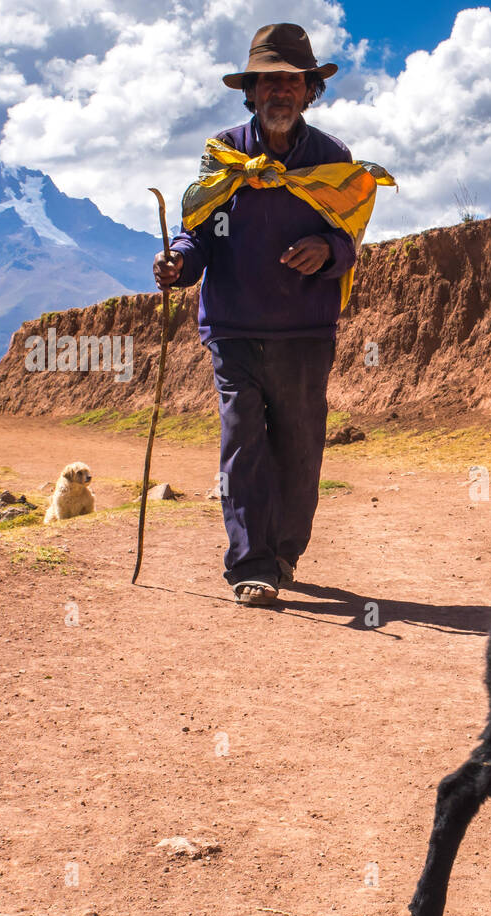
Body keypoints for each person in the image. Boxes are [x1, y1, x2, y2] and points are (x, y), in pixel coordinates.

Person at [154, 24, 381, 606]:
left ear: (309, 91)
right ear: (250, 92)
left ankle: (282, 552)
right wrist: (178, 261)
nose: (280, 92)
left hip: (305, 331)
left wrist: (328, 251)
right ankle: (250, 564)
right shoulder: (224, 153)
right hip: (232, 328)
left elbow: (349, 233)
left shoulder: (332, 159)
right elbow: (197, 233)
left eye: (292, 82)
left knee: (299, 449)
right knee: (241, 445)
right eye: (268, 82)